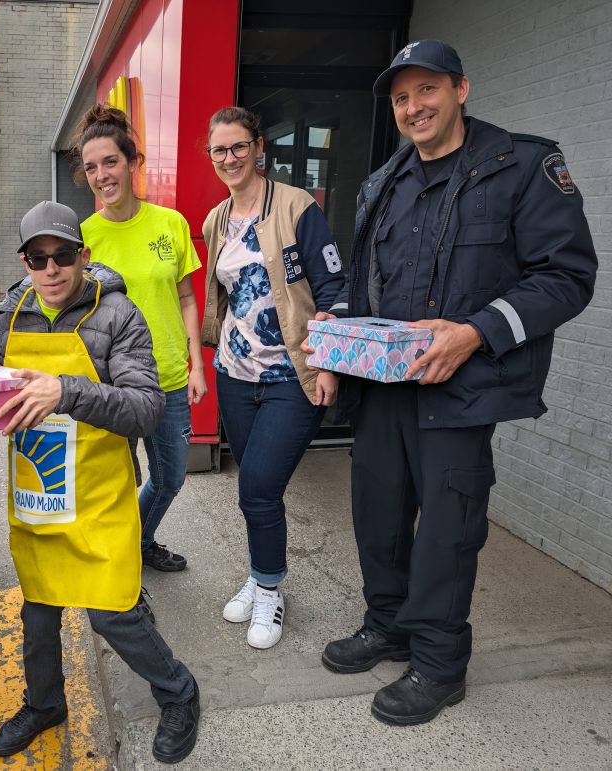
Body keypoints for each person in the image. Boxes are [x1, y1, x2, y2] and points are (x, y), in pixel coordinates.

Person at [309, 40, 597, 725]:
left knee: (447, 529)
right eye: (401, 97)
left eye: (427, 90)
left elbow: (568, 276)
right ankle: (388, 625)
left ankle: (439, 664)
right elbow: (364, 286)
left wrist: (475, 332)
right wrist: (334, 341)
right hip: (383, 384)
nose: (414, 107)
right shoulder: (383, 183)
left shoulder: (520, 166)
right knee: (378, 514)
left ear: (461, 89)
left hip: (459, 390)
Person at [0, 201, 200, 764]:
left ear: (83, 255)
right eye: (38, 258)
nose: (51, 269)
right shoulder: (12, 312)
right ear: (25, 262)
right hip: (38, 490)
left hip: (99, 492)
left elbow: (146, 408)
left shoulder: (119, 313)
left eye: (62, 255)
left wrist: (66, 391)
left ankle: (179, 691)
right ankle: (44, 703)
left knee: (112, 613)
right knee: (39, 609)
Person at [200, 107, 344, 650]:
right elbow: (224, 295)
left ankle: (268, 589)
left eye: (239, 146)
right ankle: (262, 573)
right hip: (234, 376)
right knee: (253, 490)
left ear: (259, 147)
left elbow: (333, 288)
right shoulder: (216, 220)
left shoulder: (296, 206)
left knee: (259, 484)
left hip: (292, 376)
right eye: (219, 150)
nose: (230, 158)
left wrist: (327, 361)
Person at [74, 104, 206, 576]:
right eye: (91, 167)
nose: (101, 176)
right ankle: (122, 568)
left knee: (171, 477)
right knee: (116, 485)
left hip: (169, 376)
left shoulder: (170, 224)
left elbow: (186, 298)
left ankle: (138, 541)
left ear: (132, 162)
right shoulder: (84, 238)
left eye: (110, 162)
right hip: (112, 387)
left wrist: (197, 365)